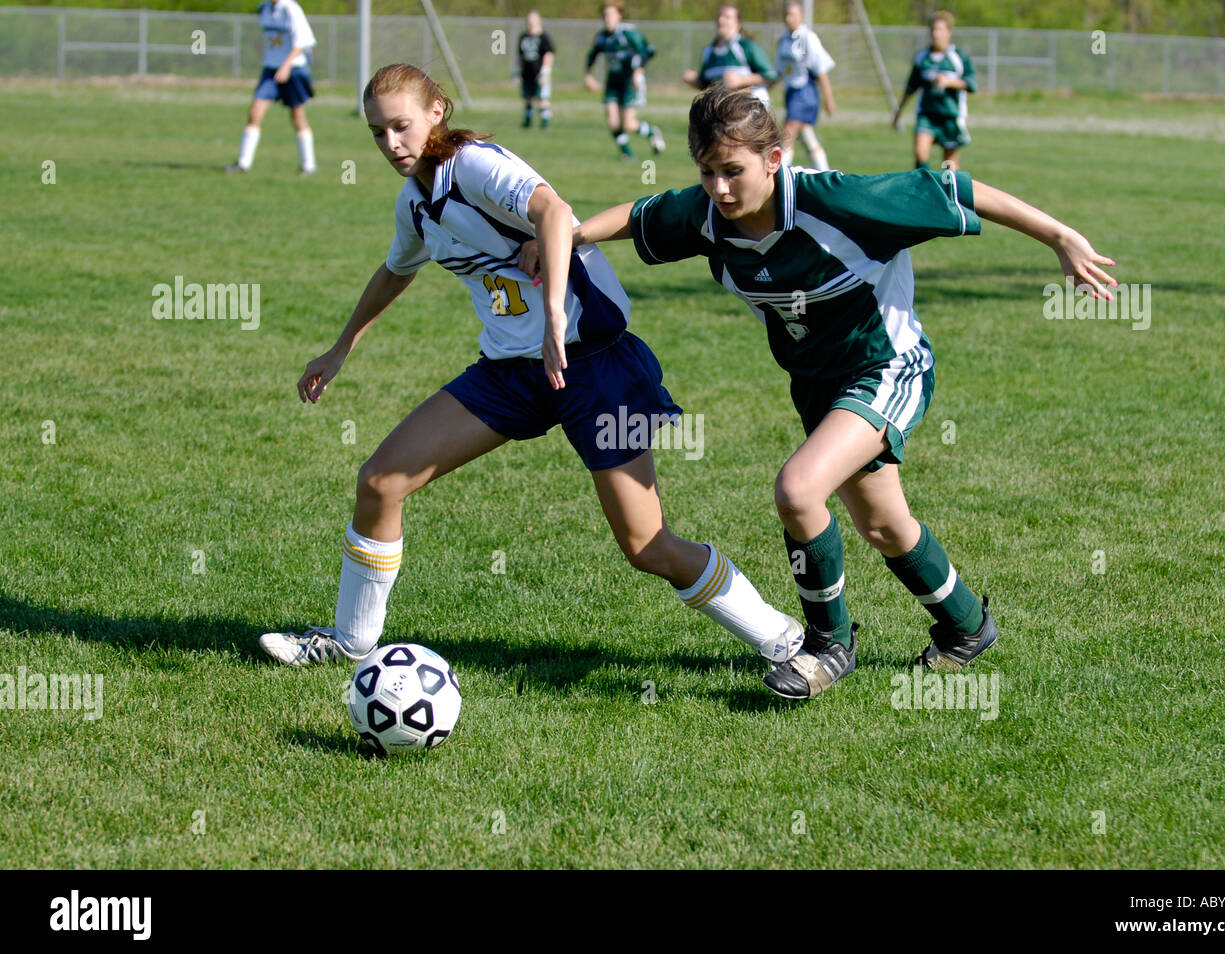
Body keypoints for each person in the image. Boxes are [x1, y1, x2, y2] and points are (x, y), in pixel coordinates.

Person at [520, 88, 1116, 699]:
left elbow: (958, 190)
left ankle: (827, 647)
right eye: (707, 172)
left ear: (774, 158)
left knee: (798, 489)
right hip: (816, 386)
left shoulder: (836, 201)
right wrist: (563, 237)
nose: (720, 188)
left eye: (734, 172)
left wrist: (1060, 237)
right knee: (883, 524)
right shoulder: (706, 214)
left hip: (886, 368)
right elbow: (638, 217)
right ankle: (966, 627)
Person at [258, 66, 805, 684]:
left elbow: (553, 209)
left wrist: (551, 316)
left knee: (645, 545)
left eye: (401, 126)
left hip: (593, 365)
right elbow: (394, 271)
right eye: (377, 133)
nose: (391, 144)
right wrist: (339, 348)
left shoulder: (475, 165)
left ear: (437, 110)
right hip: (511, 373)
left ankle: (780, 635)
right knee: (381, 481)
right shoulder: (417, 201)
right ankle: (351, 643)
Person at [227, 0, 317, 175]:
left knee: (297, 116)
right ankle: (243, 164)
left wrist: (286, 66)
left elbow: (302, 42)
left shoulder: (291, 8)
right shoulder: (264, 8)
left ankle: (308, 165)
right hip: (270, 68)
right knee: (255, 111)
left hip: (293, 69)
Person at [891, 10, 976, 171]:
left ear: (948, 32)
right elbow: (910, 88)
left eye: (940, 29)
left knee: (949, 164)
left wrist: (950, 82)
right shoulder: (922, 58)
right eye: (933, 30)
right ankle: (924, 191)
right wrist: (898, 113)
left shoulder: (957, 58)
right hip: (927, 115)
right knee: (920, 153)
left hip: (950, 116)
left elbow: (971, 84)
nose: (936, 34)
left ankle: (949, 194)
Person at [583, 2, 665, 159]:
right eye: (605, 15)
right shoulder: (603, 37)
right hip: (612, 83)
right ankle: (627, 153)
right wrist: (588, 75)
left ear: (619, 16)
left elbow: (648, 50)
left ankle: (651, 132)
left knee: (628, 124)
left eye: (611, 15)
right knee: (612, 121)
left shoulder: (628, 33)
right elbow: (592, 55)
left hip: (629, 83)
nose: (608, 19)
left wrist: (637, 72)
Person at [772, 0, 836, 170]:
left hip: (805, 92)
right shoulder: (784, 40)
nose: (788, 18)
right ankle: (825, 174)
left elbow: (821, 70)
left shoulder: (808, 38)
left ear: (801, 16)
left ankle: (779, 174)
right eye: (786, 14)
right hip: (791, 93)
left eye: (792, 14)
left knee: (787, 134)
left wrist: (829, 99)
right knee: (807, 137)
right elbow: (779, 72)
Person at [682, 3, 777, 106]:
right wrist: (695, 80)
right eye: (719, 16)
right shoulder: (709, 51)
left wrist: (742, 80)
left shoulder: (746, 46)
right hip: (721, 110)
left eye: (727, 17)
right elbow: (707, 86)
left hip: (749, 109)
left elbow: (770, 76)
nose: (721, 20)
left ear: (738, 23)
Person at [517, 11, 555, 130]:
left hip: (540, 73)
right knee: (528, 98)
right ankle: (527, 122)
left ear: (539, 20)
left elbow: (548, 54)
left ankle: (545, 123)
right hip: (527, 73)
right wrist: (518, 70)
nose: (531, 22)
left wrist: (545, 71)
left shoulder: (543, 37)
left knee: (543, 98)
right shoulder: (523, 37)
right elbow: (520, 55)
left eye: (534, 19)